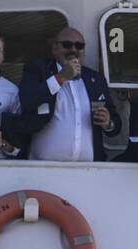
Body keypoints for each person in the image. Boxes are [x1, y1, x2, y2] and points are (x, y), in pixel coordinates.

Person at [14, 26, 120, 161]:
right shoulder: (38, 69)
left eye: (79, 46)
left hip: (88, 170)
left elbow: (115, 124)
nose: (73, 50)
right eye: (67, 45)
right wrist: (61, 77)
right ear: (54, 49)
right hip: (42, 168)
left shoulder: (96, 79)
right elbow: (28, 101)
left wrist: (108, 122)